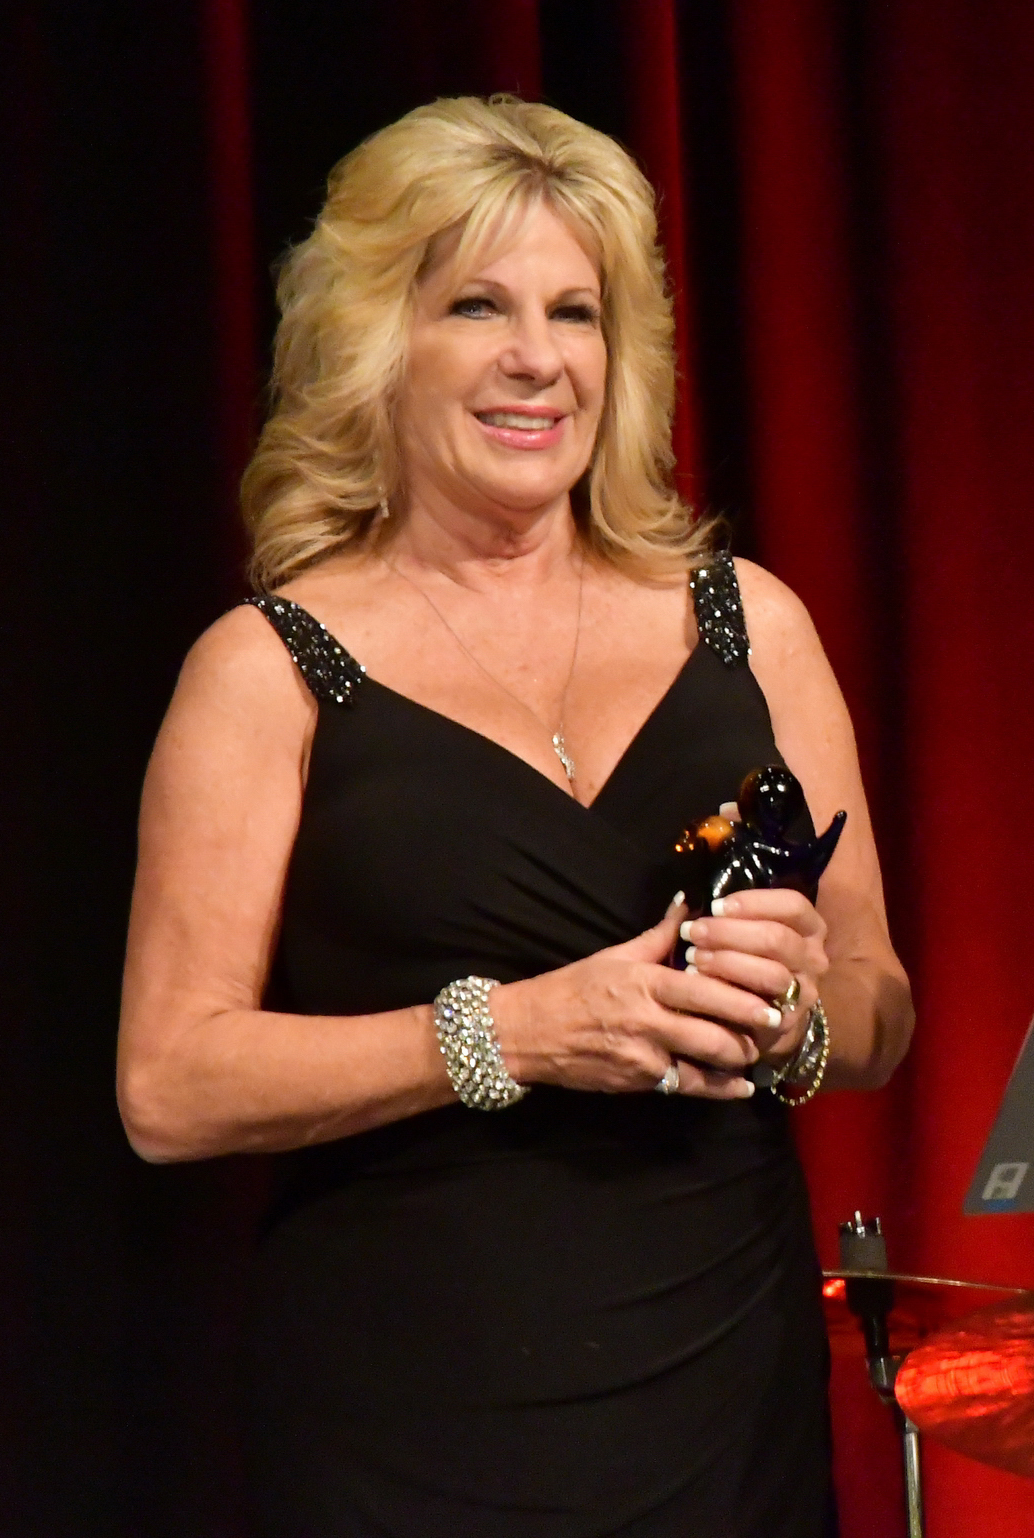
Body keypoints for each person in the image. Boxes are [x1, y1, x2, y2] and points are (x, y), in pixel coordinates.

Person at [117, 95, 914, 1535]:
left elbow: (880, 1007)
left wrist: (797, 1019)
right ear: (378, 343)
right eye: (478, 306)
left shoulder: (752, 626)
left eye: (576, 312)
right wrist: (516, 1033)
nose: (538, 357)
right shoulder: (267, 669)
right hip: (416, 1413)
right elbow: (169, 1087)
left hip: (723, 1389)